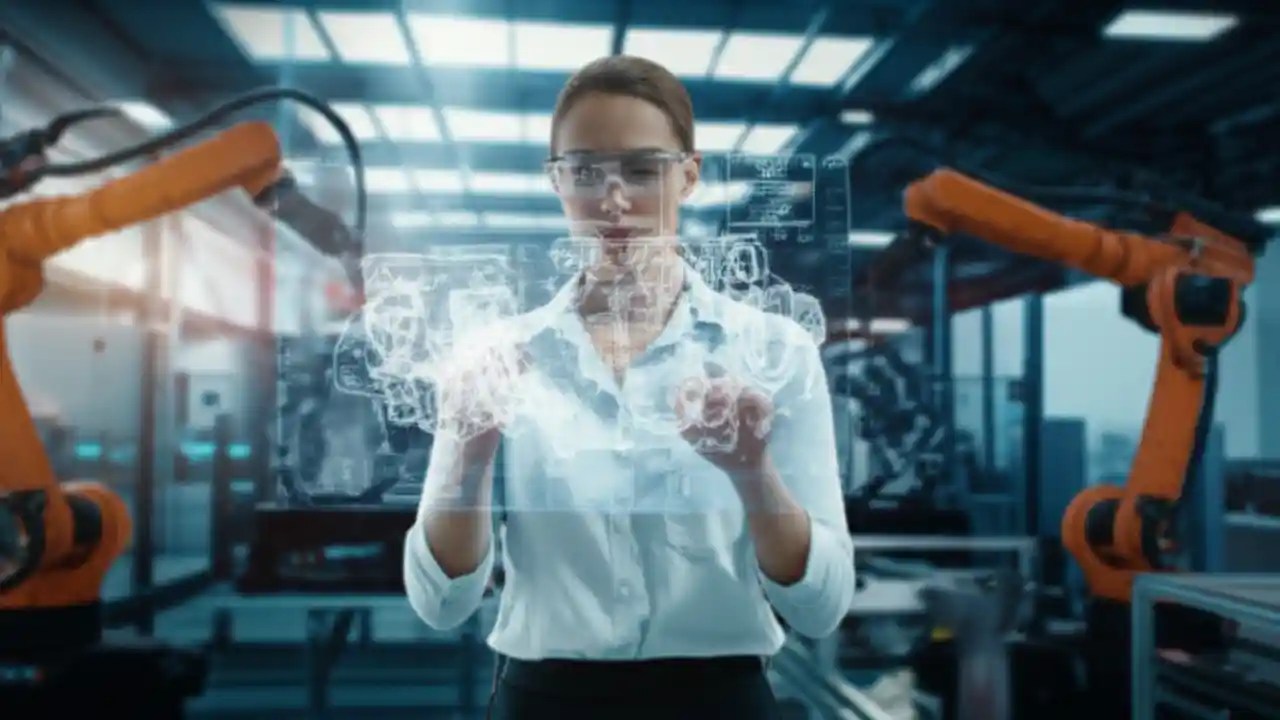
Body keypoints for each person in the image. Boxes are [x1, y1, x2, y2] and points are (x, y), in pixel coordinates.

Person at [404, 55, 855, 720]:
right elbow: (442, 604)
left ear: (690, 176)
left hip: (719, 703)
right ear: (556, 181)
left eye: (643, 170)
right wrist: (470, 455)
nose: (613, 201)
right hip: (544, 703)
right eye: (585, 171)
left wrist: (753, 475)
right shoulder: (495, 361)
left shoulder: (772, 353)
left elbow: (821, 606)